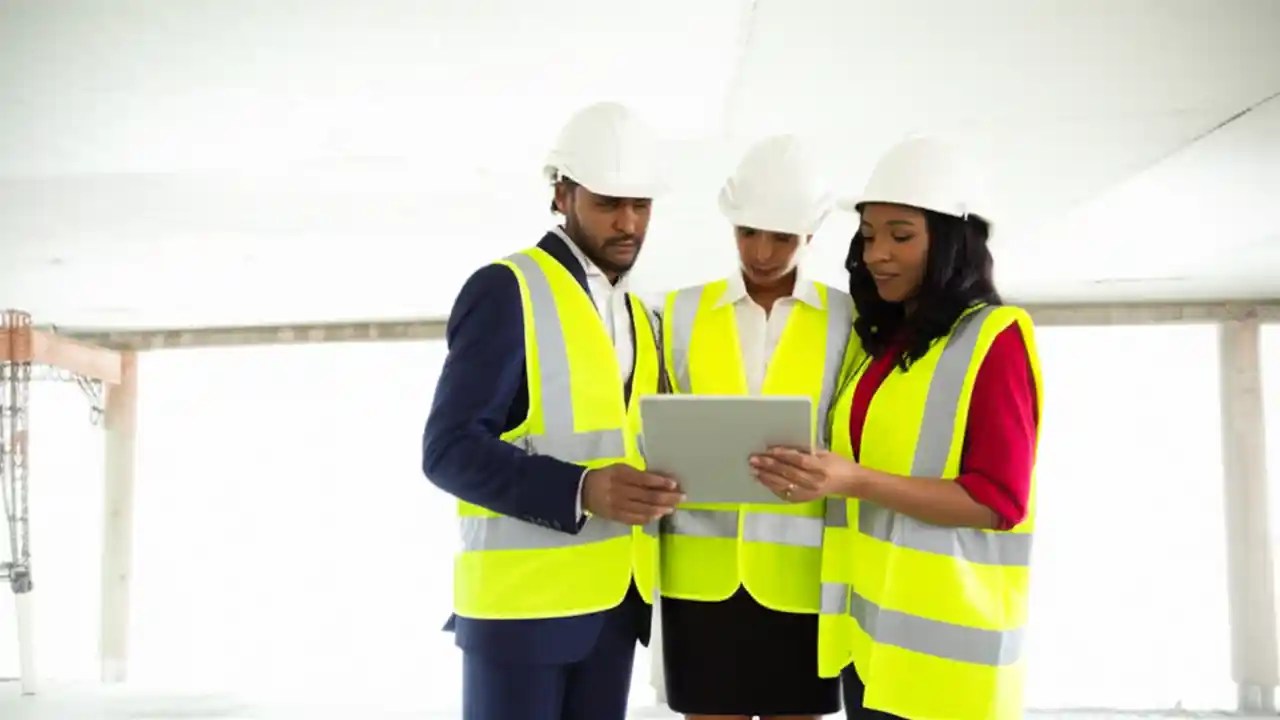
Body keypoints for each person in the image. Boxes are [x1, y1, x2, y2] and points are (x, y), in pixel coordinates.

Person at [749, 136, 1043, 720]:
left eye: (901, 235)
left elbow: (998, 500)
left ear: (954, 240)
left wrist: (852, 479)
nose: (877, 253)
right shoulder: (881, 345)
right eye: (868, 235)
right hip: (872, 646)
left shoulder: (996, 336)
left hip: (946, 666)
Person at [421, 101, 686, 720]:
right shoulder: (506, 287)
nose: (627, 223)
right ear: (562, 195)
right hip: (521, 612)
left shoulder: (641, 314)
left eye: (640, 206)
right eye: (607, 203)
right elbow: (449, 450)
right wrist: (582, 489)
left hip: (614, 607)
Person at [656, 134, 853, 720]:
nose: (762, 252)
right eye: (748, 233)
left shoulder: (848, 319)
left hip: (803, 581)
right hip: (699, 578)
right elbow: (655, 422)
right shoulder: (681, 311)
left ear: (810, 236)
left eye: (782, 238)